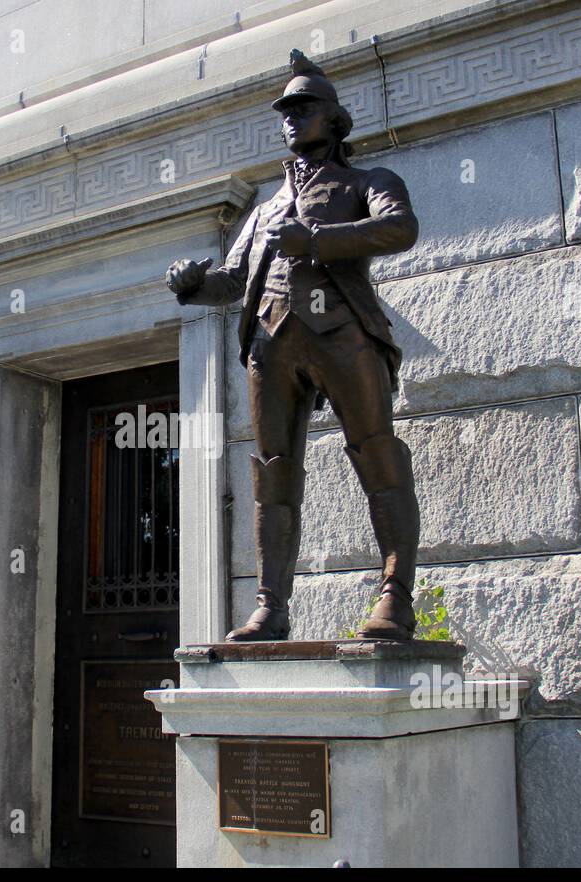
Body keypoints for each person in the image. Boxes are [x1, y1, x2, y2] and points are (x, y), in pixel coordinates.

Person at [165, 50, 420, 642]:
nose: (291, 118)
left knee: (377, 455)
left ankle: (396, 596)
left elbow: (401, 228)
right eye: (286, 111)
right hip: (270, 344)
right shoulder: (264, 208)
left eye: (304, 109)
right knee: (273, 473)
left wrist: (318, 239)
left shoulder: (367, 182)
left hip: (344, 336)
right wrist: (192, 285)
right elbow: (232, 282)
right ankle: (270, 605)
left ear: (335, 119)